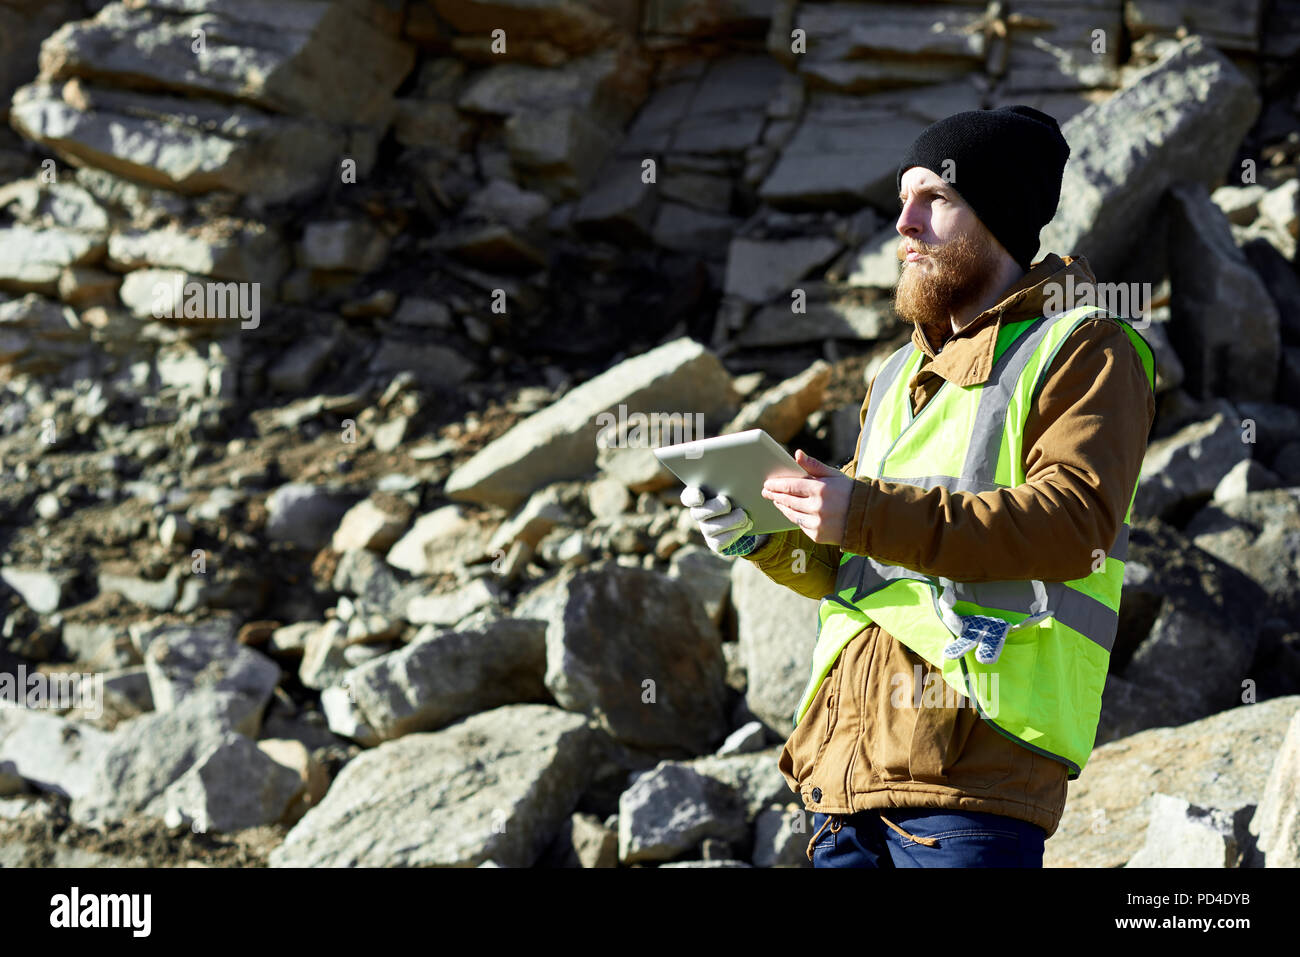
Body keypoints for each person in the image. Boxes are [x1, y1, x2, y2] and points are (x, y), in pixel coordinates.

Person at [682, 106, 1156, 868]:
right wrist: (764, 538)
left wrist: (862, 509)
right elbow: (865, 571)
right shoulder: (896, 375)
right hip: (842, 785)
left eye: (934, 197)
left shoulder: (1084, 346)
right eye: (903, 198)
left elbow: (1075, 524)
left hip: (971, 780)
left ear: (997, 216)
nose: (904, 222)